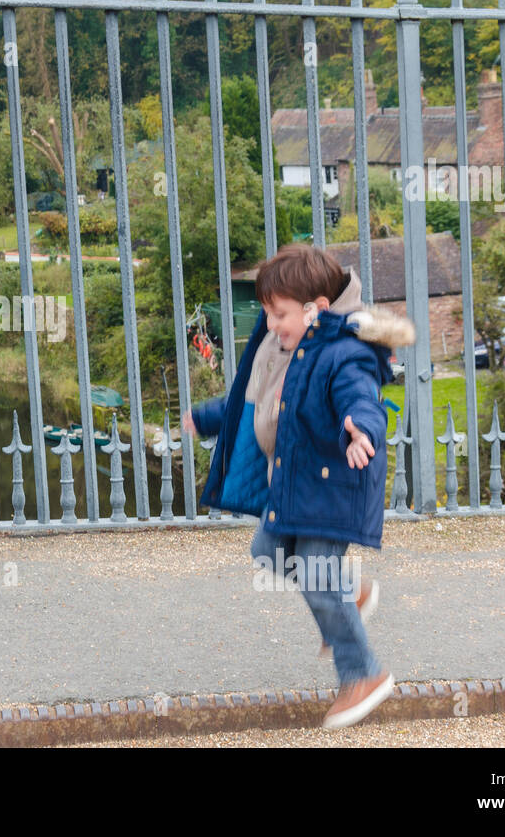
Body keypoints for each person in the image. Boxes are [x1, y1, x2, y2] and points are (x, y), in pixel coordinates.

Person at [182, 243, 414, 729]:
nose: (271, 324)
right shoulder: (280, 346)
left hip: (333, 484)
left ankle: (363, 674)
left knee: (313, 571)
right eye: (268, 313)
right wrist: (205, 419)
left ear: (318, 309)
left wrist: (361, 430)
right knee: (267, 552)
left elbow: (360, 398)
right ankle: (347, 596)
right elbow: (251, 397)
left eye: (280, 314)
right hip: (291, 482)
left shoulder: (344, 352)